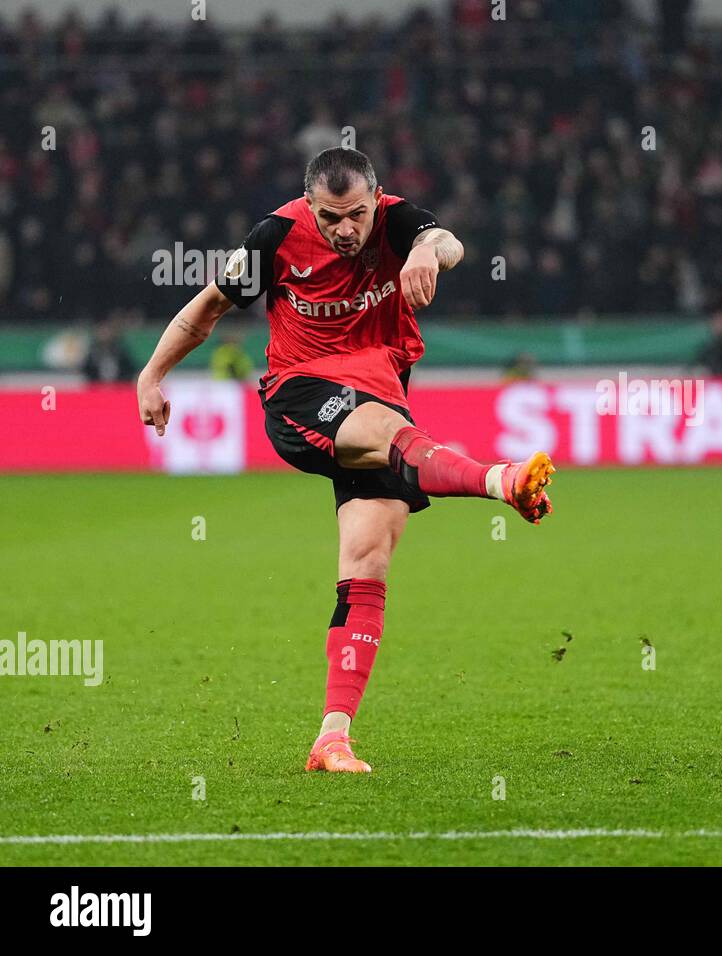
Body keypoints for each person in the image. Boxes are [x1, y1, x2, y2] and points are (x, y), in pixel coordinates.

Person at [135, 148, 555, 775]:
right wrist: (152, 374)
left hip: (376, 389)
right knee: (393, 431)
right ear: (310, 207)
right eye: (331, 219)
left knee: (368, 565)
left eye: (356, 214)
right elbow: (209, 309)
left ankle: (332, 739)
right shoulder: (275, 238)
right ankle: (502, 480)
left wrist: (421, 252)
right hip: (301, 394)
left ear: (375, 199)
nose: (346, 230)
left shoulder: (398, 222)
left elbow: (447, 242)